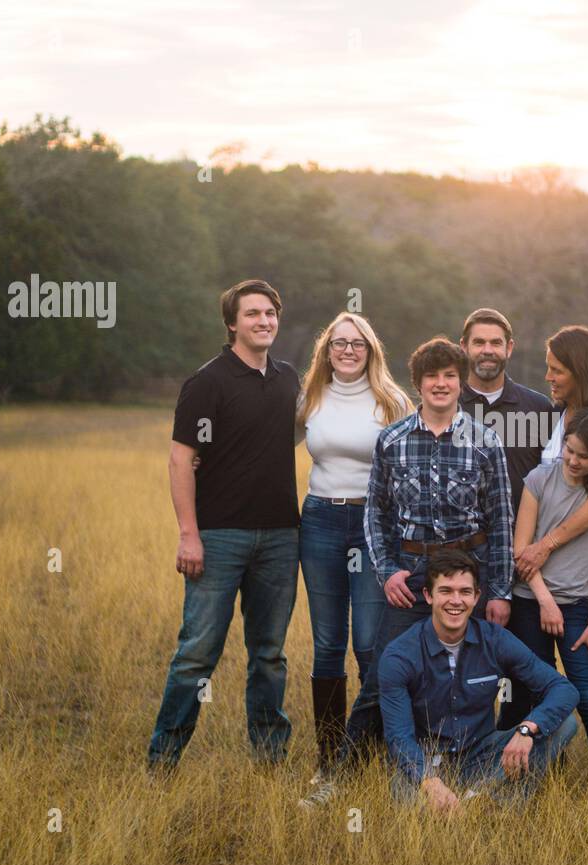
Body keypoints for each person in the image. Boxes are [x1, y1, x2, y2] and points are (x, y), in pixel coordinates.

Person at [299, 337, 514, 807]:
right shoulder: (392, 440)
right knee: (380, 677)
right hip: (410, 581)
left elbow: (501, 520)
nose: (441, 384)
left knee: (473, 675)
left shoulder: (485, 441)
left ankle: (465, 773)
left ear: (461, 383)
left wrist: (499, 591)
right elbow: (374, 516)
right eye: (431, 376)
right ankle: (337, 779)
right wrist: (388, 572)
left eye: (449, 376)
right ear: (417, 384)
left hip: (467, 580)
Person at [147, 278, 301, 770]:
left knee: (270, 655)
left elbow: (284, 438)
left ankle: (269, 758)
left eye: (270, 313)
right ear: (232, 323)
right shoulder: (207, 382)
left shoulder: (288, 379)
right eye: (252, 313)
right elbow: (179, 460)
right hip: (218, 537)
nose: (263, 321)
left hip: (281, 536)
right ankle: (163, 760)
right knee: (196, 654)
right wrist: (189, 534)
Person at [505, 326, 588, 766]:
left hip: (585, 580)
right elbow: (545, 484)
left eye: (557, 369)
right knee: (536, 683)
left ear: (579, 370)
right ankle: (541, 766)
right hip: (537, 583)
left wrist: (544, 546)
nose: (549, 377)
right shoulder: (562, 416)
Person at [296, 312, 412, 779]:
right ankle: (329, 759)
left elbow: (409, 467)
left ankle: (368, 752)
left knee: (369, 643)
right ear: (326, 350)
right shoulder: (310, 399)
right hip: (320, 519)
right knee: (327, 644)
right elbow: (261, 444)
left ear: (371, 350)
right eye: (339, 343)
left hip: (372, 525)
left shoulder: (392, 400)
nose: (347, 350)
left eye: (357, 343)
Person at [379, 549, 579, 812]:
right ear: (428, 595)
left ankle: (487, 801)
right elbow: (399, 737)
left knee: (565, 724)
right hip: (427, 760)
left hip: (481, 753)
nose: (455, 601)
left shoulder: (494, 639)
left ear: (476, 597)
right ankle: (487, 802)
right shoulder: (399, 656)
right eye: (446, 591)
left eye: (464, 592)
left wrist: (527, 729)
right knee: (411, 808)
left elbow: (563, 689)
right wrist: (429, 782)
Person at [457, 308, 556, 514]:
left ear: (509, 348)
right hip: (458, 540)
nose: (487, 350)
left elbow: (558, 476)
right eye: (478, 342)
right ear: (464, 347)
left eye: (496, 343)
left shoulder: (539, 408)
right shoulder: (446, 406)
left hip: (520, 538)